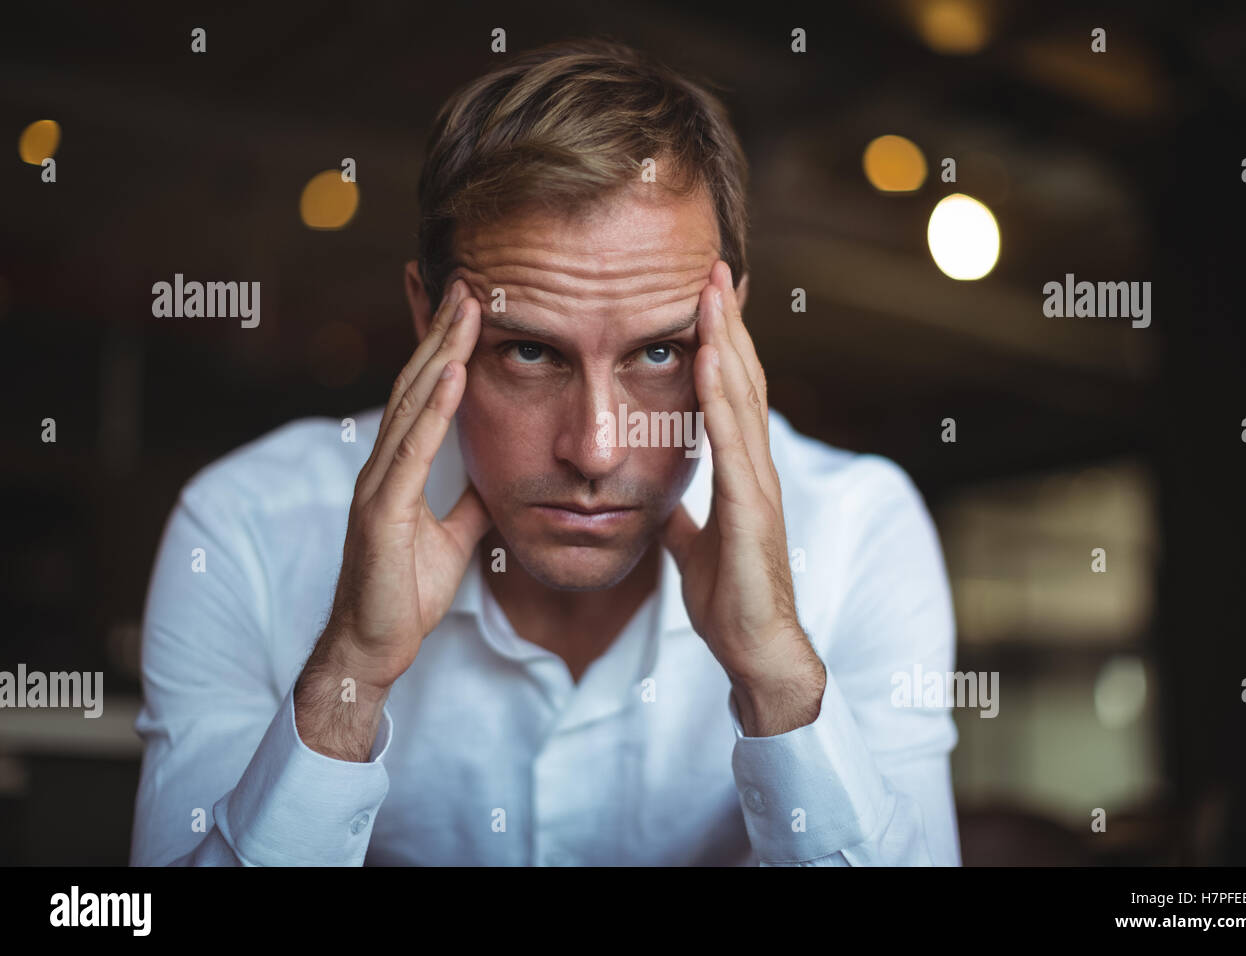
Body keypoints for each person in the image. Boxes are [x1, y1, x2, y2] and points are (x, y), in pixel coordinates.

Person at [128, 38, 961, 866]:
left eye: (660, 353)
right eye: (529, 352)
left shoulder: (861, 530)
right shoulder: (243, 525)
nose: (596, 448)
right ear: (429, 319)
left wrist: (777, 672)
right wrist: (349, 672)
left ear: (730, 326)